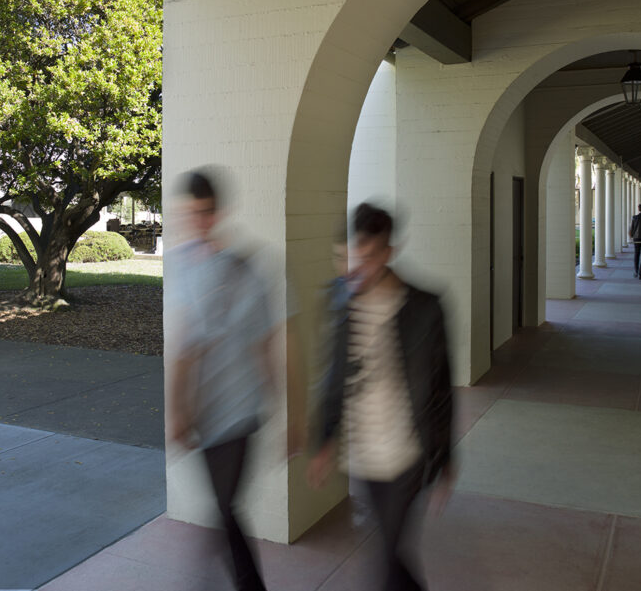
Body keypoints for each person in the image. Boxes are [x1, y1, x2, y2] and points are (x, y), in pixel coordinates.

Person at [308, 203, 454, 591]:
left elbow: (441, 387)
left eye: (371, 256)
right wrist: (325, 440)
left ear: (389, 252)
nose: (361, 265)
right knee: (392, 554)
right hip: (363, 455)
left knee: (387, 560)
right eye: (357, 253)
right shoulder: (342, 300)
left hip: (407, 455)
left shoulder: (424, 308)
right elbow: (333, 375)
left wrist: (446, 458)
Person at [167, 170, 279, 591]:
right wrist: (179, 409)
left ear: (216, 214)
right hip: (205, 411)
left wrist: (275, 395)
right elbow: (184, 345)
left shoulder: (246, 269)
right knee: (223, 507)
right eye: (189, 213)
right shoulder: (182, 264)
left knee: (225, 507)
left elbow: (264, 340)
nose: (196, 222)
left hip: (241, 409)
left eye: (203, 213)